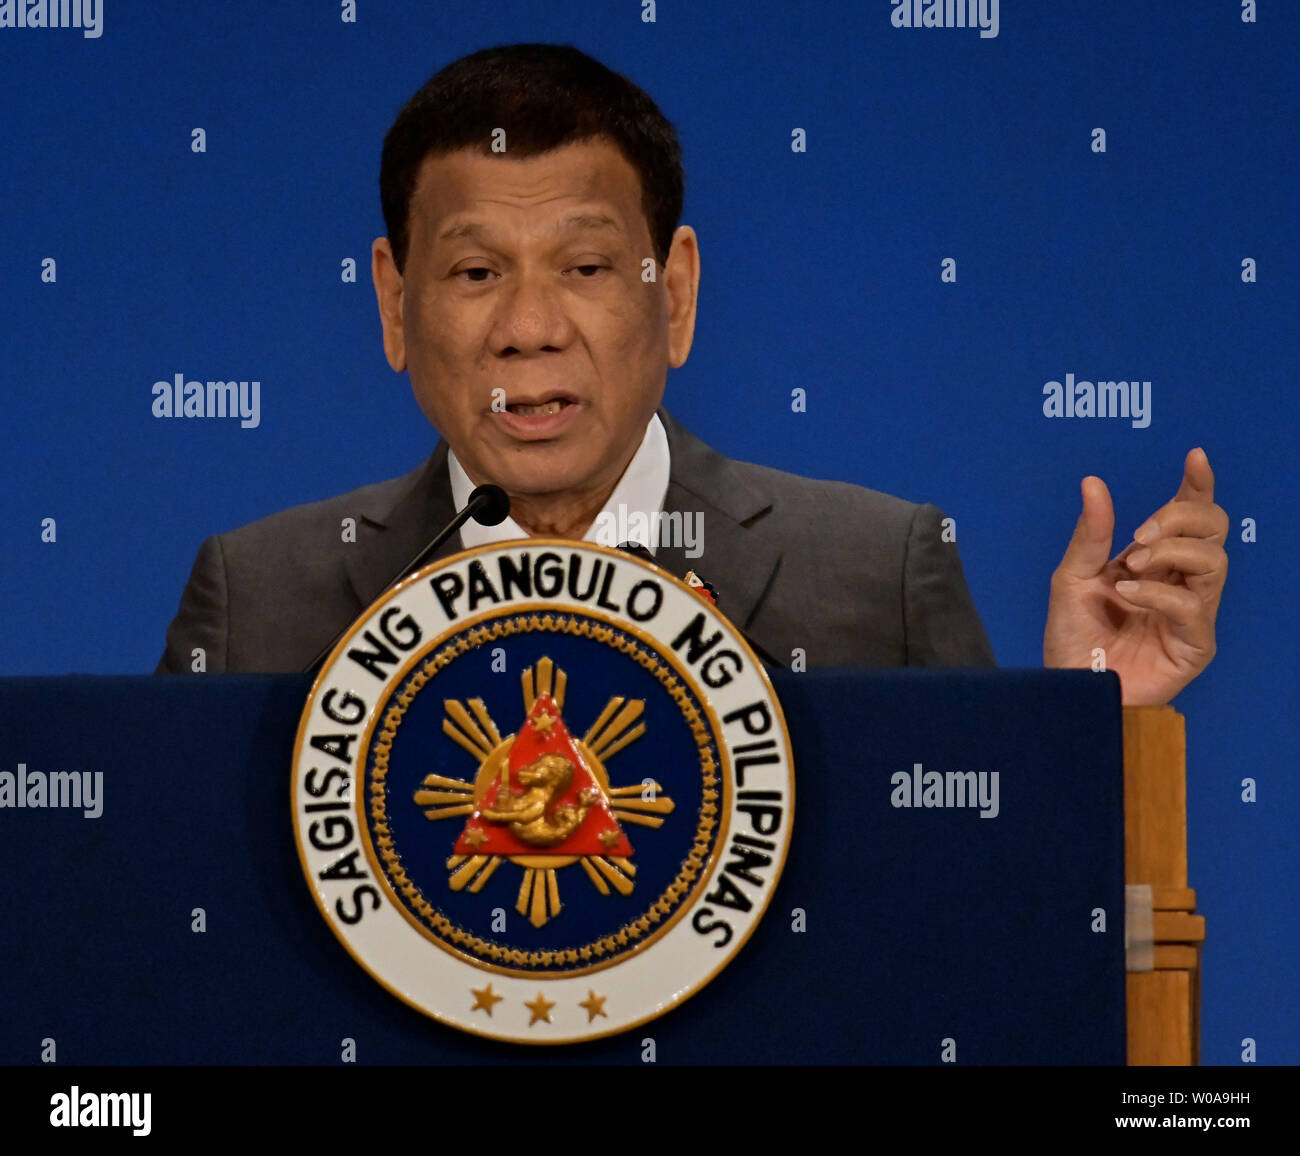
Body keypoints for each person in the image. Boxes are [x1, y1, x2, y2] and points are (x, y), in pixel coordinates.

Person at [156, 43, 1228, 706]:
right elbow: (156, 962)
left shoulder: (871, 578)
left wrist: (1100, 727)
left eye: (582, 268)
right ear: (395, 303)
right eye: (476, 271)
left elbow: (991, 936)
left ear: (672, 293)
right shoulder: (260, 602)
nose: (529, 328)